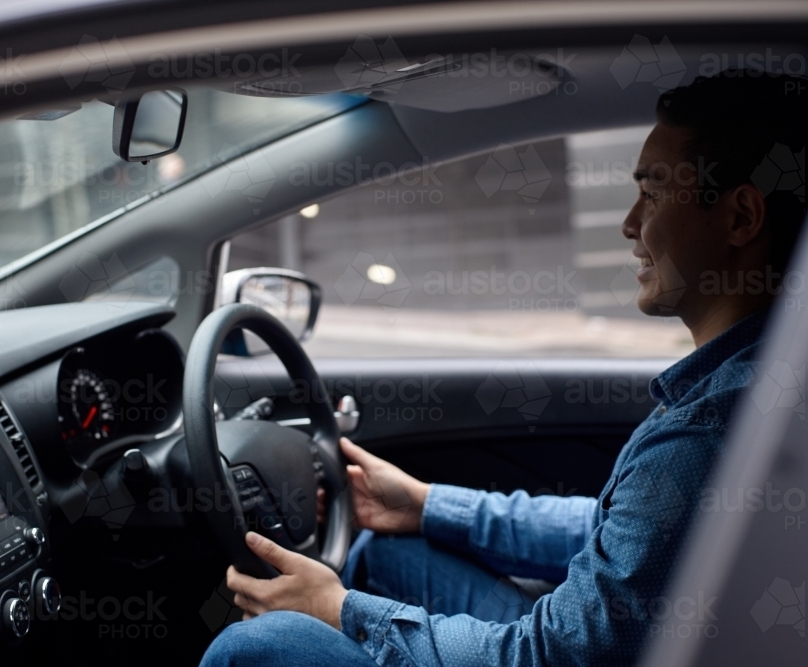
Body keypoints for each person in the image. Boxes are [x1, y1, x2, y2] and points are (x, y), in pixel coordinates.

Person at [200, 69, 808, 667]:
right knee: (381, 554)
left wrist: (341, 612)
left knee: (252, 648)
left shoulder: (707, 429)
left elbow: (548, 655)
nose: (629, 223)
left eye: (651, 194)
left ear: (739, 219)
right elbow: (612, 533)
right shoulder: (746, 381)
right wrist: (426, 503)